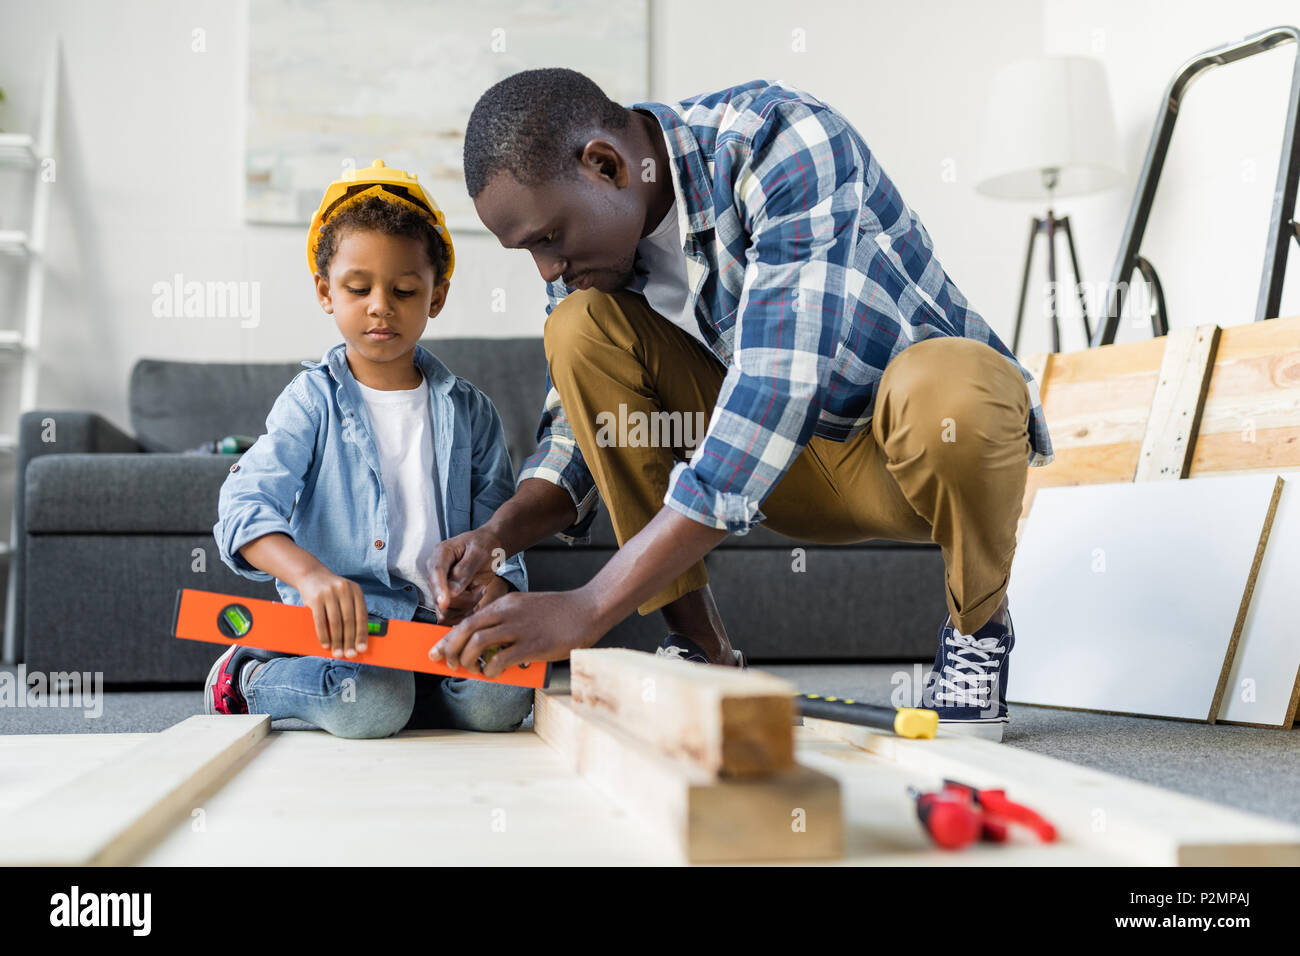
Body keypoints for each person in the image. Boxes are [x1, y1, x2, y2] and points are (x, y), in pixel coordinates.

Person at [428, 70, 1054, 741]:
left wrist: (591, 605)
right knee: (578, 327)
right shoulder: (593, 264)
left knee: (956, 384)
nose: (547, 269)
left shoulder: (783, 141)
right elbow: (582, 437)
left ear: (605, 165)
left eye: (549, 239)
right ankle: (704, 649)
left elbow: (773, 391)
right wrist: (499, 537)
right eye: (529, 251)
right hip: (780, 481)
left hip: (905, 456)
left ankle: (977, 627)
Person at [205, 160, 534, 738]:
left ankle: (415, 696)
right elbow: (242, 506)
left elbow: (501, 535)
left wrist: (492, 587)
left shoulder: (471, 412)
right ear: (325, 292)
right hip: (348, 634)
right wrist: (311, 578)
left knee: (504, 702)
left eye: (404, 290)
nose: (380, 304)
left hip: (439, 630)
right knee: (372, 703)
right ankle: (248, 677)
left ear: (437, 296)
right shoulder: (311, 401)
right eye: (359, 288)